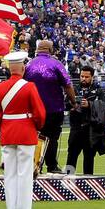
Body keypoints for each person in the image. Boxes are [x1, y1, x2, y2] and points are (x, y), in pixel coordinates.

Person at [0, 50, 46, 209]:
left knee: (10, 174)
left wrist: (4, 125)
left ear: (9, 68)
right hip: (26, 133)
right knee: (24, 174)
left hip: (8, 133)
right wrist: (35, 126)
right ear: (22, 67)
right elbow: (40, 114)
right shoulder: (29, 86)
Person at [24, 39, 75, 174]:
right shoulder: (56, 64)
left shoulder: (28, 65)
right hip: (53, 109)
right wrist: (73, 102)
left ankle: (34, 165)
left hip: (33, 109)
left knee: (35, 137)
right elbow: (68, 85)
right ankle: (51, 166)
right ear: (51, 50)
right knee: (51, 138)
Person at [66, 64, 102, 175]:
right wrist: (72, 105)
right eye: (82, 76)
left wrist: (90, 105)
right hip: (76, 128)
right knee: (71, 157)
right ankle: (67, 181)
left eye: (86, 77)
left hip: (90, 129)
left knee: (89, 157)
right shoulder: (74, 89)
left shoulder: (98, 90)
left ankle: (89, 183)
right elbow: (65, 103)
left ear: (92, 77)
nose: (83, 79)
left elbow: (104, 107)